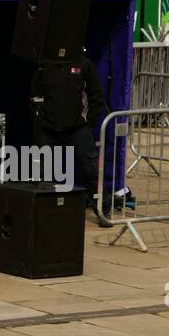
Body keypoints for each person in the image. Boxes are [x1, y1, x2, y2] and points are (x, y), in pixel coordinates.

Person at [31, 53, 129, 226]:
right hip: (49, 128)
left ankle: (103, 210)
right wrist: (41, 117)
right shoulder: (45, 65)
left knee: (91, 169)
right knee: (43, 173)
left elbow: (96, 96)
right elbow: (35, 93)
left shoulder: (84, 64)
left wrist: (88, 123)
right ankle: (41, 213)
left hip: (77, 128)